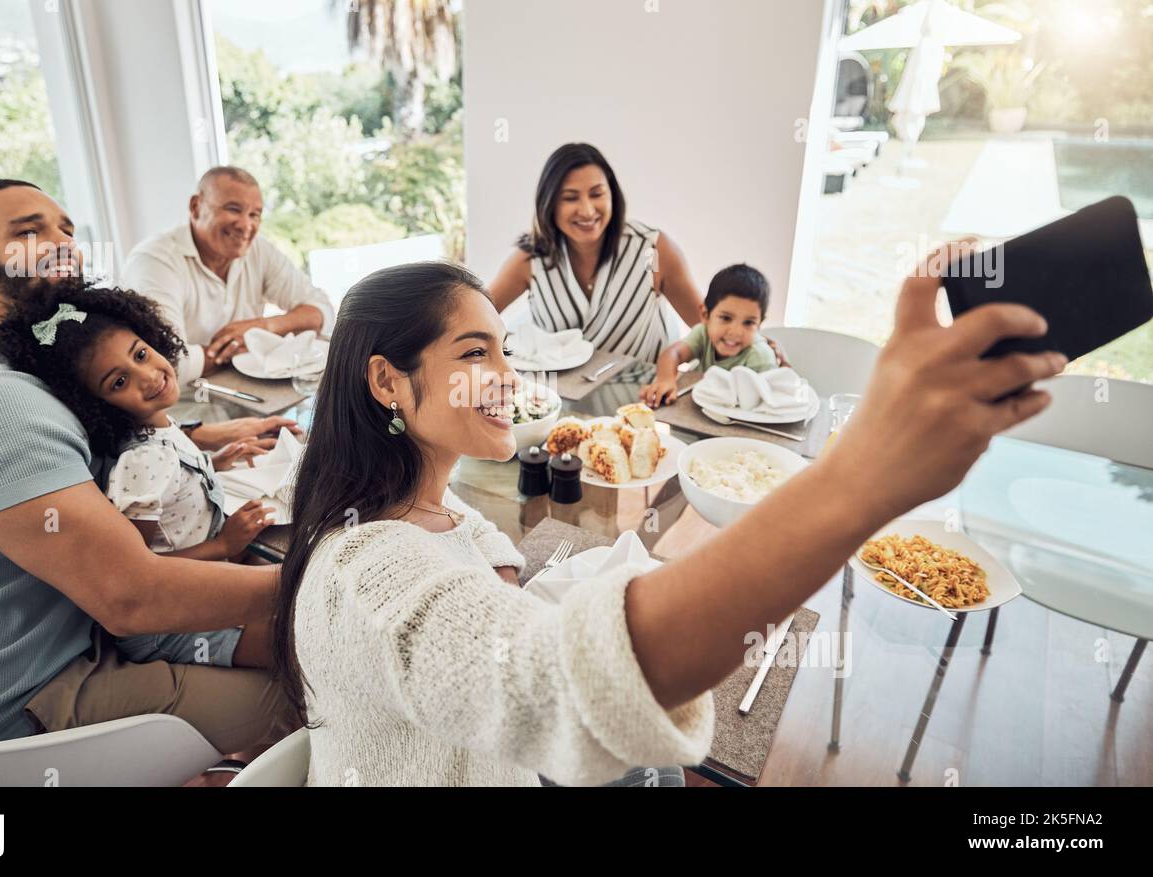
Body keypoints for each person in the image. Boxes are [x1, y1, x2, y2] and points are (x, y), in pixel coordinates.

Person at [271, 251, 1064, 786]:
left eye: (505, 349)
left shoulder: (443, 512)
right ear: (387, 380)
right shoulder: (365, 575)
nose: (510, 377)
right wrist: (863, 477)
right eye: (476, 353)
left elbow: (491, 574)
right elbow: (557, 680)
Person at [0, 179, 290, 751]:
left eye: (66, 229)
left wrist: (199, 436)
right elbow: (132, 597)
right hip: (14, 705)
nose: (62, 243)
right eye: (30, 232)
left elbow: (67, 441)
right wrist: (319, 579)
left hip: (40, 647)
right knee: (312, 693)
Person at [0, 283, 280, 668]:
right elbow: (144, 571)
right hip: (171, 625)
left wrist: (213, 462)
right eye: (119, 382)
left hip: (205, 582)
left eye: (140, 354)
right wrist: (223, 545)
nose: (147, 376)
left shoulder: (160, 426)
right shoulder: (140, 462)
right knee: (302, 641)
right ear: (96, 404)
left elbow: (171, 477)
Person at [121, 166, 334, 401]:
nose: (245, 225)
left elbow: (323, 310)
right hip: (184, 406)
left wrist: (264, 327)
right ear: (195, 207)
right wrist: (238, 348)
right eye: (233, 209)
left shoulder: (258, 250)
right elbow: (168, 361)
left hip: (250, 396)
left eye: (255, 214)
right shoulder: (154, 261)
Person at [486, 143, 706, 365]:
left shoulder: (652, 250)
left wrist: (676, 361)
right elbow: (477, 317)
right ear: (549, 203)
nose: (587, 211)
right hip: (556, 387)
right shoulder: (530, 259)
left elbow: (709, 328)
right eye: (570, 198)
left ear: (612, 195)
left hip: (644, 387)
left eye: (597, 194)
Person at [640, 263, 778, 408]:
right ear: (705, 315)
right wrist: (665, 380)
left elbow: (769, 400)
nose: (736, 332)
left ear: (760, 324)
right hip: (699, 409)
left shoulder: (760, 356)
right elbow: (674, 353)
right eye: (726, 318)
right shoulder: (703, 333)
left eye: (748, 322)